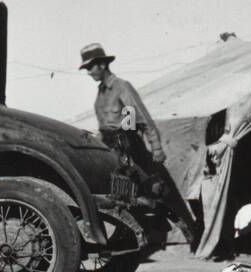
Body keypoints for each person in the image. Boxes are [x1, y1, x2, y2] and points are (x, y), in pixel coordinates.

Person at [81, 42, 201, 246]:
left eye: (90, 67)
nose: (89, 72)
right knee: (121, 198)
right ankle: (140, 233)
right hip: (110, 148)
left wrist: (155, 147)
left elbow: (139, 120)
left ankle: (156, 229)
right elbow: (105, 127)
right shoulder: (101, 92)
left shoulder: (120, 87)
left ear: (101, 65)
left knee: (124, 196)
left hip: (126, 146)